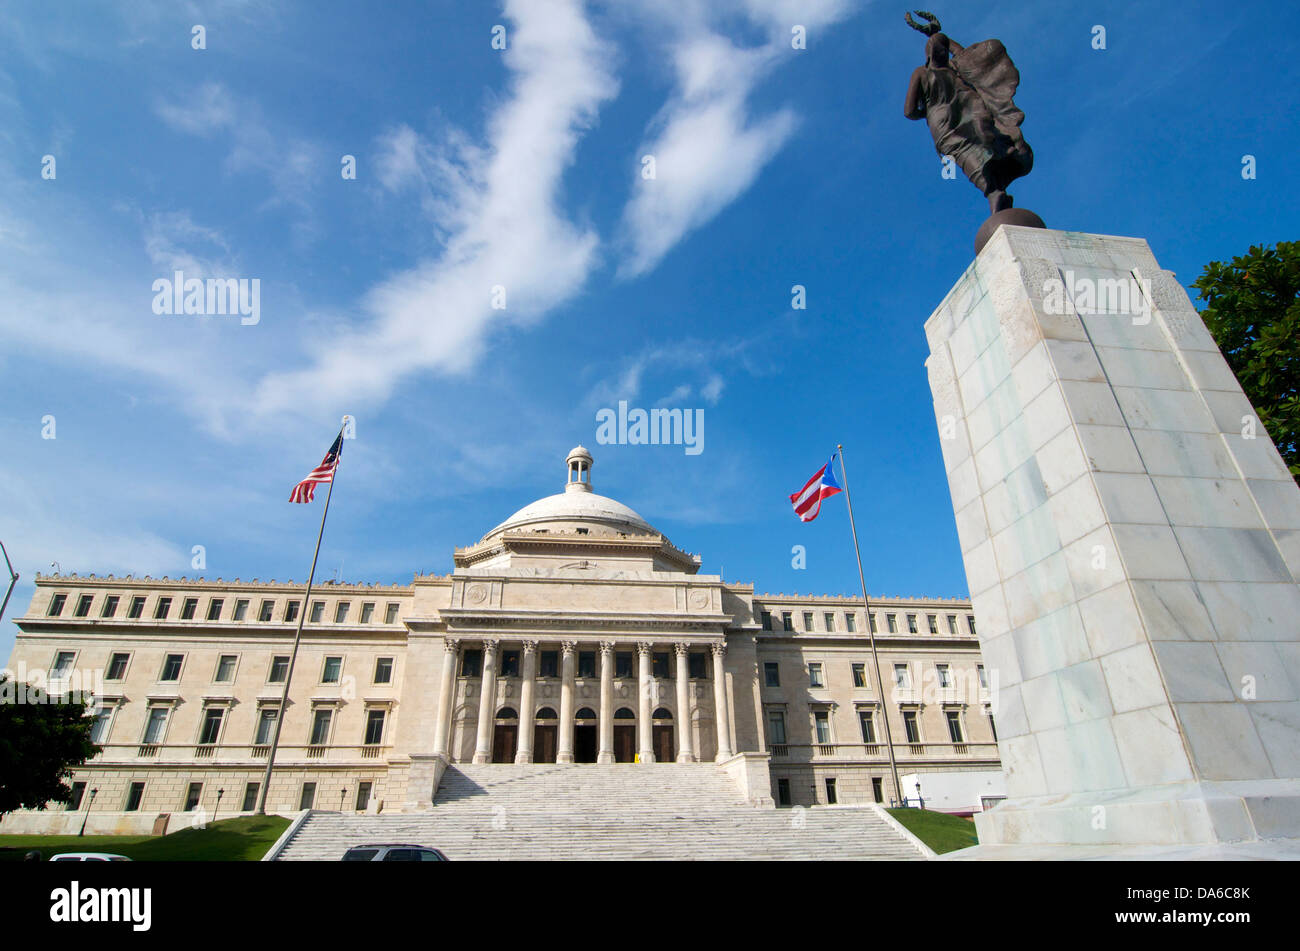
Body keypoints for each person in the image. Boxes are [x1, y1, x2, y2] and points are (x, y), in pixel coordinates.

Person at [903, 15, 1033, 216]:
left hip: (942, 122)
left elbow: (909, 111)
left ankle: (993, 192)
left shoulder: (921, 72)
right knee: (985, 144)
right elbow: (963, 55)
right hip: (972, 111)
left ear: (927, 55)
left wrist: (928, 113)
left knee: (964, 153)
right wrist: (937, 35)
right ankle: (999, 187)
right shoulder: (955, 68)